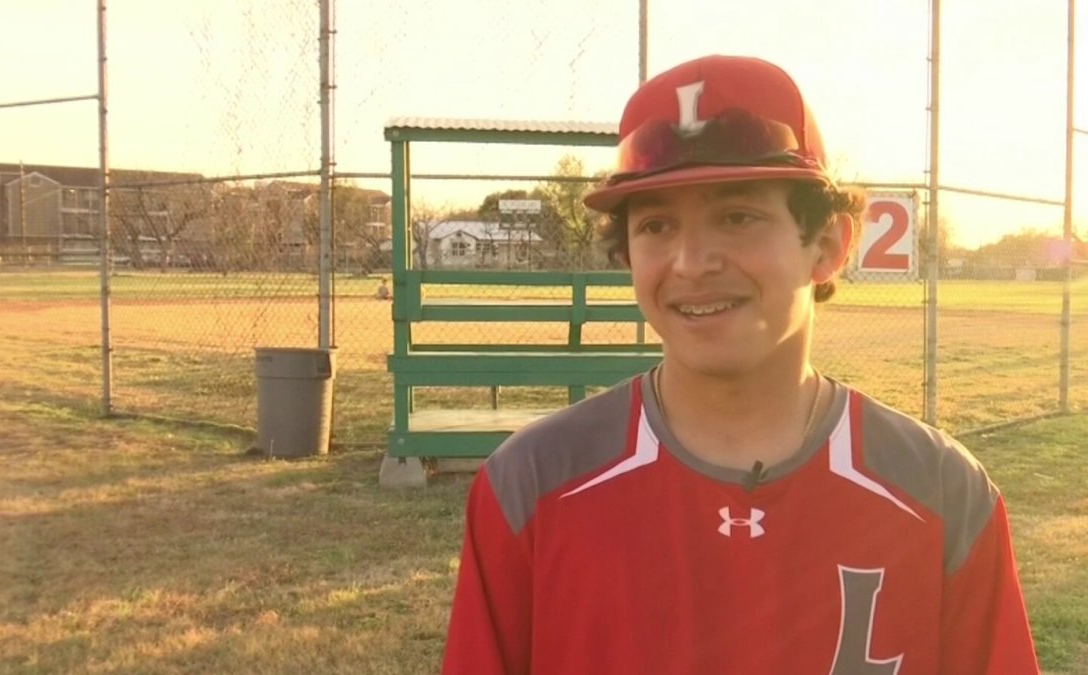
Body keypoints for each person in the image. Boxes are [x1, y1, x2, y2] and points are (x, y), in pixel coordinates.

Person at [442, 55, 1039, 674]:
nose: (691, 261)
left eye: (737, 216)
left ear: (829, 245)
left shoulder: (939, 493)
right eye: (655, 225)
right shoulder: (532, 485)